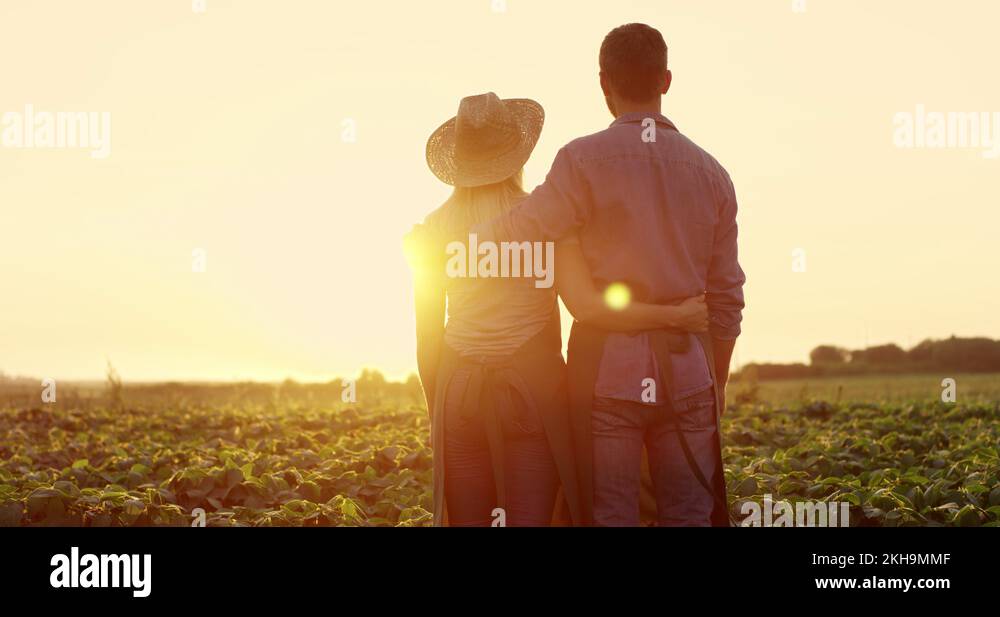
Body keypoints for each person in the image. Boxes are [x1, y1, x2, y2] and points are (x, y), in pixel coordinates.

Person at [474, 24, 747, 526]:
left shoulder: (579, 161)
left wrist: (454, 243)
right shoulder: (713, 173)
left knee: (610, 515)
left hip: (607, 376)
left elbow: (522, 228)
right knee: (689, 514)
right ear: (666, 80)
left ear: (604, 83)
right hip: (690, 374)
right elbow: (728, 298)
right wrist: (718, 379)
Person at [406, 92, 709, 526]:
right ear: (516, 156)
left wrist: (442, 414)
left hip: (459, 391)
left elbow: (428, 339)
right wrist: (673, 316)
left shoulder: (431, 232)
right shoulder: (545, 219)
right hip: (532, 389)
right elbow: (584, 306)